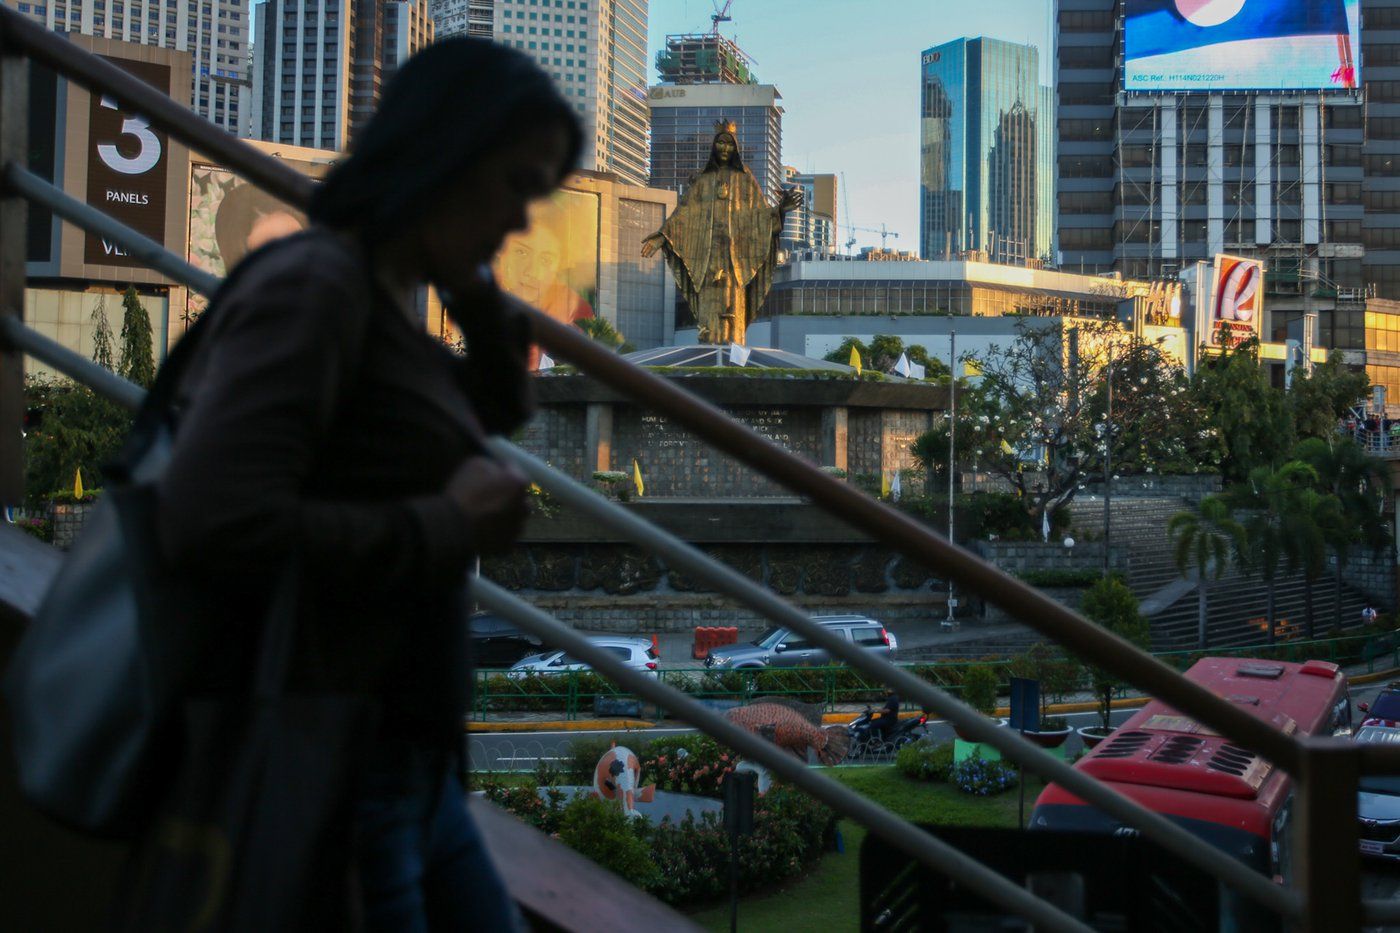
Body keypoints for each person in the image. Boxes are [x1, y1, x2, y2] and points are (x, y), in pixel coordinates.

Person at [154, 38, 582, 930]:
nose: (520, 223)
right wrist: (442, 522)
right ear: (445, 152)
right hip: (334, 765)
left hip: (405, 762)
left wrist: (472, 294)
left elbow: (475, 415)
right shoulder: (315, 288)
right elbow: (210, 519)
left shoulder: (385, 296)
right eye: (514, 185)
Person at [640, 121, 800, 345]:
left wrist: (782, 208)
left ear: (736, 149)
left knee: (732, 311)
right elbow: (684, 214)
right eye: (720, 143)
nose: (725, 148)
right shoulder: (702, 181)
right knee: (709, 315)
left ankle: (732, 359)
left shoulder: (745, 180)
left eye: (729, 144)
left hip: (735, 262)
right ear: (714, 147)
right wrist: (663, 236)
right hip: (707, 259)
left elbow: (761, 217)